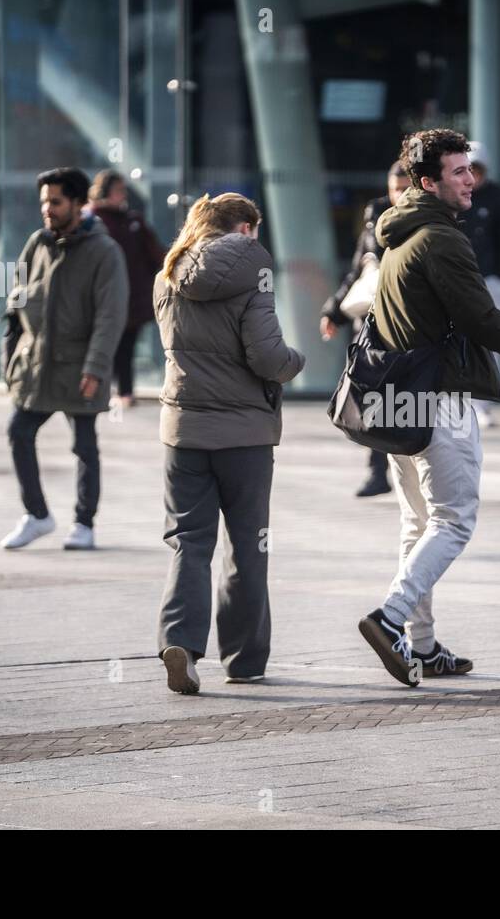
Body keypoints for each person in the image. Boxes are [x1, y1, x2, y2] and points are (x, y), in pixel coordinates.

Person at [358, 129, 500, 686]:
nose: (471, 179)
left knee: (418, 523)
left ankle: (421, 645)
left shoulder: (399, 233)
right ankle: (389, 618)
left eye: (470, 169)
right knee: (454, 522)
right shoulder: (440, 239)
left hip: (400, 399)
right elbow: (481, 321)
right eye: (458, 171)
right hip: (439, 399)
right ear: (427, 181)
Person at [154, 193, 305, 694]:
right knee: (247, 545)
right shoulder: (254, 270)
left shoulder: (169, 273)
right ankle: (242, 660)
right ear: (245, 228)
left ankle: (181, 642)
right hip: (244, 436)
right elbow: (266, 356)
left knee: (187, 543)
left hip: (183, 432)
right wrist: (295, 362)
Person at [0, 168, 128, 551]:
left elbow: (111, 315)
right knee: (18, 431)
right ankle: (37, 515)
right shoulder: (37, 244)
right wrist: (10, 355)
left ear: (78, 203)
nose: (47, 209)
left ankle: (84, 523)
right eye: (44, 202)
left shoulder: (105, 252)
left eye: (55, 202)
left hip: (80, 367)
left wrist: (95, 367)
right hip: (37, 366)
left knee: (84, 445)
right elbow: (16, 300)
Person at [320, 160, 410, 497]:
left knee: (401, 398)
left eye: (404, 189)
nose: (398, 195)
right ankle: (377, 471)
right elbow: (359, 270)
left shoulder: (421, 221)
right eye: (394, 189)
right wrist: (334, 311)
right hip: (371, 321)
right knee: (374, 396)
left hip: (404, 324)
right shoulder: (375, 218)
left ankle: (403, 471)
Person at [88, 169, 166, 409]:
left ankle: (124, 392)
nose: (123, 195)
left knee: (126, 346)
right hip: (105, 298)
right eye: (118, 190)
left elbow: (157, 254)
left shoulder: (133, 221)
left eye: (124, 190)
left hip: (134, 298)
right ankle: (102, 389)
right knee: (106, 343)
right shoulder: (92, 220)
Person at [460, 141, 500, 430]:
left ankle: (480, 404)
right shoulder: (452, 196)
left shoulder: (496, 197)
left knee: (487, 344)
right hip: (456, 281)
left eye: (477, 169)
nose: (472, 177)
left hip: (489, 280)